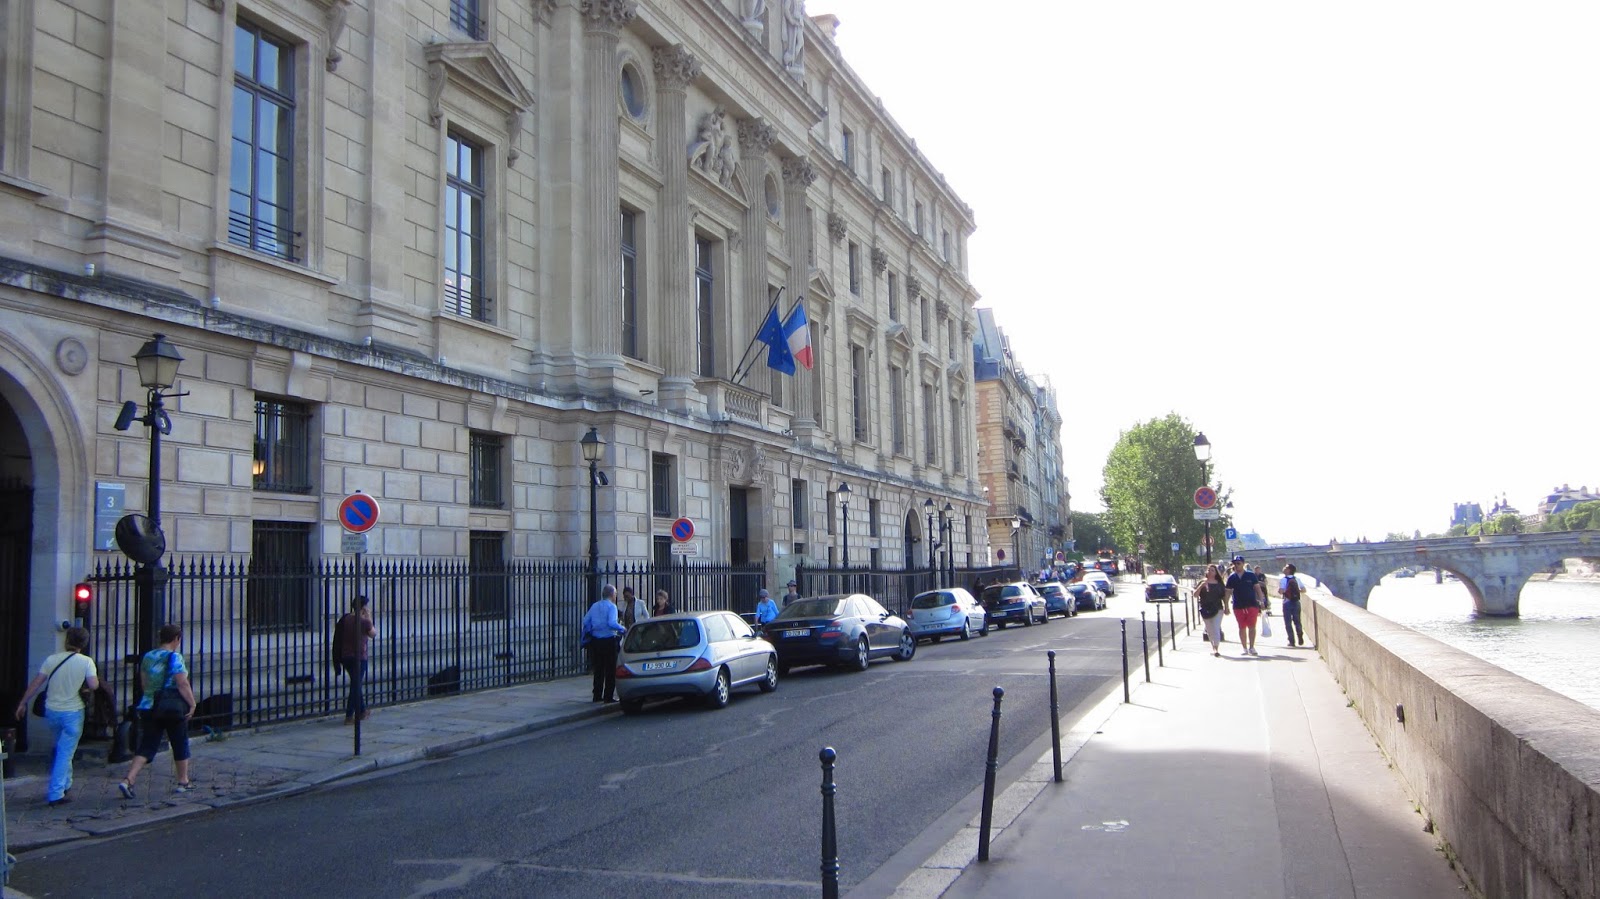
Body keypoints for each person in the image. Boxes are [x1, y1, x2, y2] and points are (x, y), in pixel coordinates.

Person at [14, 627, 99, 806]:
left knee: (62, 746)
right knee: (65, 751)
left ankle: (66, 783)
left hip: (52, 709)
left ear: (67, 640)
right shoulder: (86, 662)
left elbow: (36, 683)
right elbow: (93, 685)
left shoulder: (51, 660)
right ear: (84, 643)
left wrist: (22, 703)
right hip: (73, 711)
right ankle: (56, 792)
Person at [118, 624, 197, 799]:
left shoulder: (148, 656)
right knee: (179, 742)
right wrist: (192, 704)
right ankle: (183, 781)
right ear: (176, 638)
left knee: (148, 745)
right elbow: (181, 683)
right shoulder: (174, 657)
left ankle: (129, 779)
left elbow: (144, 682)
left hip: (149, 705)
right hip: (171, 706)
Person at [333, 596, 377, 724]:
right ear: (363, 607)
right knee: (355, 685)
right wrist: (369, 617)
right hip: (359, 657)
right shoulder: (364, 622)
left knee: (355, 683)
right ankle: (349, 715)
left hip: (345, 657)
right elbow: (373, 634)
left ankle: (362, 711)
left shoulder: (345, 619)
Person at [581, 585, 626, 703]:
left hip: (596, 641)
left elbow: (586, 620)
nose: (616, 596)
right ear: (612, 595)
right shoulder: (612, 607)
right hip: (609, 640)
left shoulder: (594, 606)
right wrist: (622, 628)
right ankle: (608, 696)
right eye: (615, 594)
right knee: (610, 669)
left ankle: (597, 695)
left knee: (598, 668)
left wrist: (592, 629)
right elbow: (611, 623)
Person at [1225, 556, 1264, 656]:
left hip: (1251, 604)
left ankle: (1252, 647)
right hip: (1238, 605)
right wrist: (1226, 606)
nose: (1236, 565)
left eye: (1238, 563)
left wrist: (1262, 601)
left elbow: (1257, 589)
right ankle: (1244, 648)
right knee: (1241, 627)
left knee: (1252, 626)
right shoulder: (1232, 577)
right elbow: (1228, 592)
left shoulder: (1250, 575)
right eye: (1235, 563)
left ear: (1243, 564)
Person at [1191, 565, 1228, 657]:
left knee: (1216, 628)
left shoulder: (1219, 584)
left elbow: (1224, 596)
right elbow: (1195, 595)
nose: (1210, 571)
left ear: (1216, 573)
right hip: (1205, 609)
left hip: (1217, 608)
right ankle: (1213, 646)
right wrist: (1201, 586)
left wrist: (1226, 607)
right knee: (1210, 630)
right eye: (1209, 570)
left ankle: (1216, 648)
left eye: (1212, 570)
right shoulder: (1202, 582)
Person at [1279, 564, 1307, 647]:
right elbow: (1304, 590)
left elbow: (1281, 591)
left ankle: (1292, 641)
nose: (1284, 568)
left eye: (1286, 568)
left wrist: (1285, 591)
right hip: (1296, 602)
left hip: (1287, 602)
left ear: (1289, 570)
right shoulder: (1297, 579)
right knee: (1297, 621)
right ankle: (1300, 634)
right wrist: (1296, 591)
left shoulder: (1283, 580)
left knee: (1288, 622)